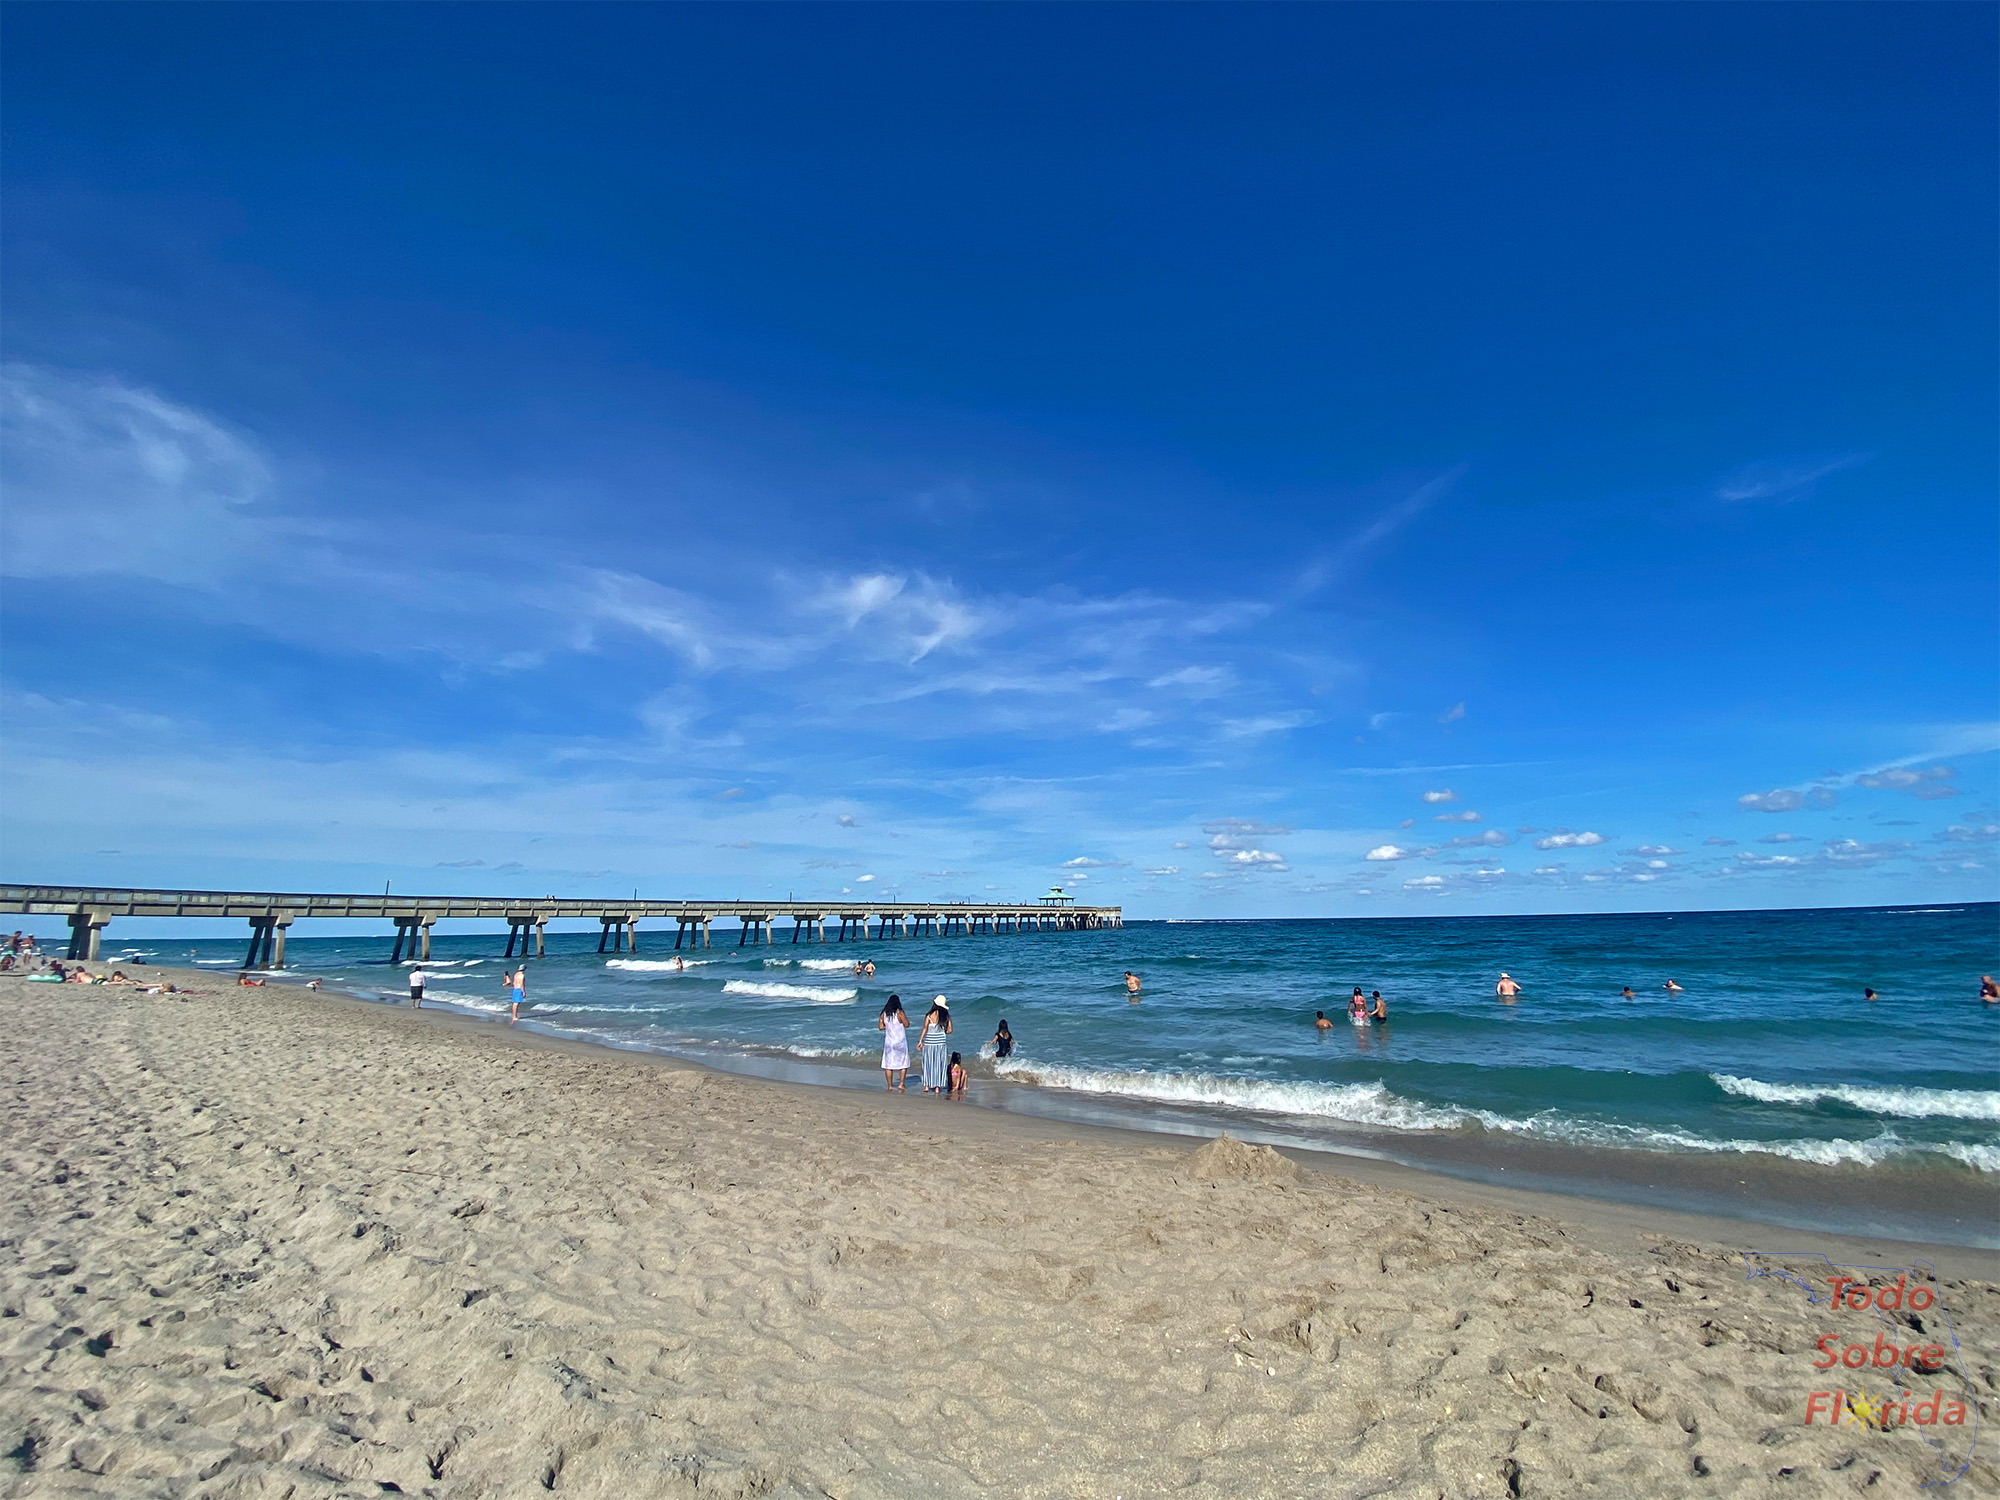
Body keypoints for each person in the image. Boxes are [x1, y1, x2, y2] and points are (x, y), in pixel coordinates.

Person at [918, 995, 952, 1094]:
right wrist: (942, 1031)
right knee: (939, 1064)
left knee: (928, 1063)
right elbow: (950, 1030)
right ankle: (937, 1086)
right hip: (940, 1043)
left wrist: (920, 1040)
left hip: (929, 1042)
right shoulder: (946, 1016)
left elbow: (925, 1028)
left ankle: (926, 1085)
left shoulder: (929, 1015)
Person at [878, 995, 910, 1091]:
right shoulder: (899, 1013)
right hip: (900, 1041)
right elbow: (907, 1024)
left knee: (888, 1064)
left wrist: (888, 1027)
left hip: (889, 1042)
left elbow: (880, 1027)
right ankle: (901, 1084)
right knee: (903, 1063)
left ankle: (890, 1085)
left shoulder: (884, 1014)